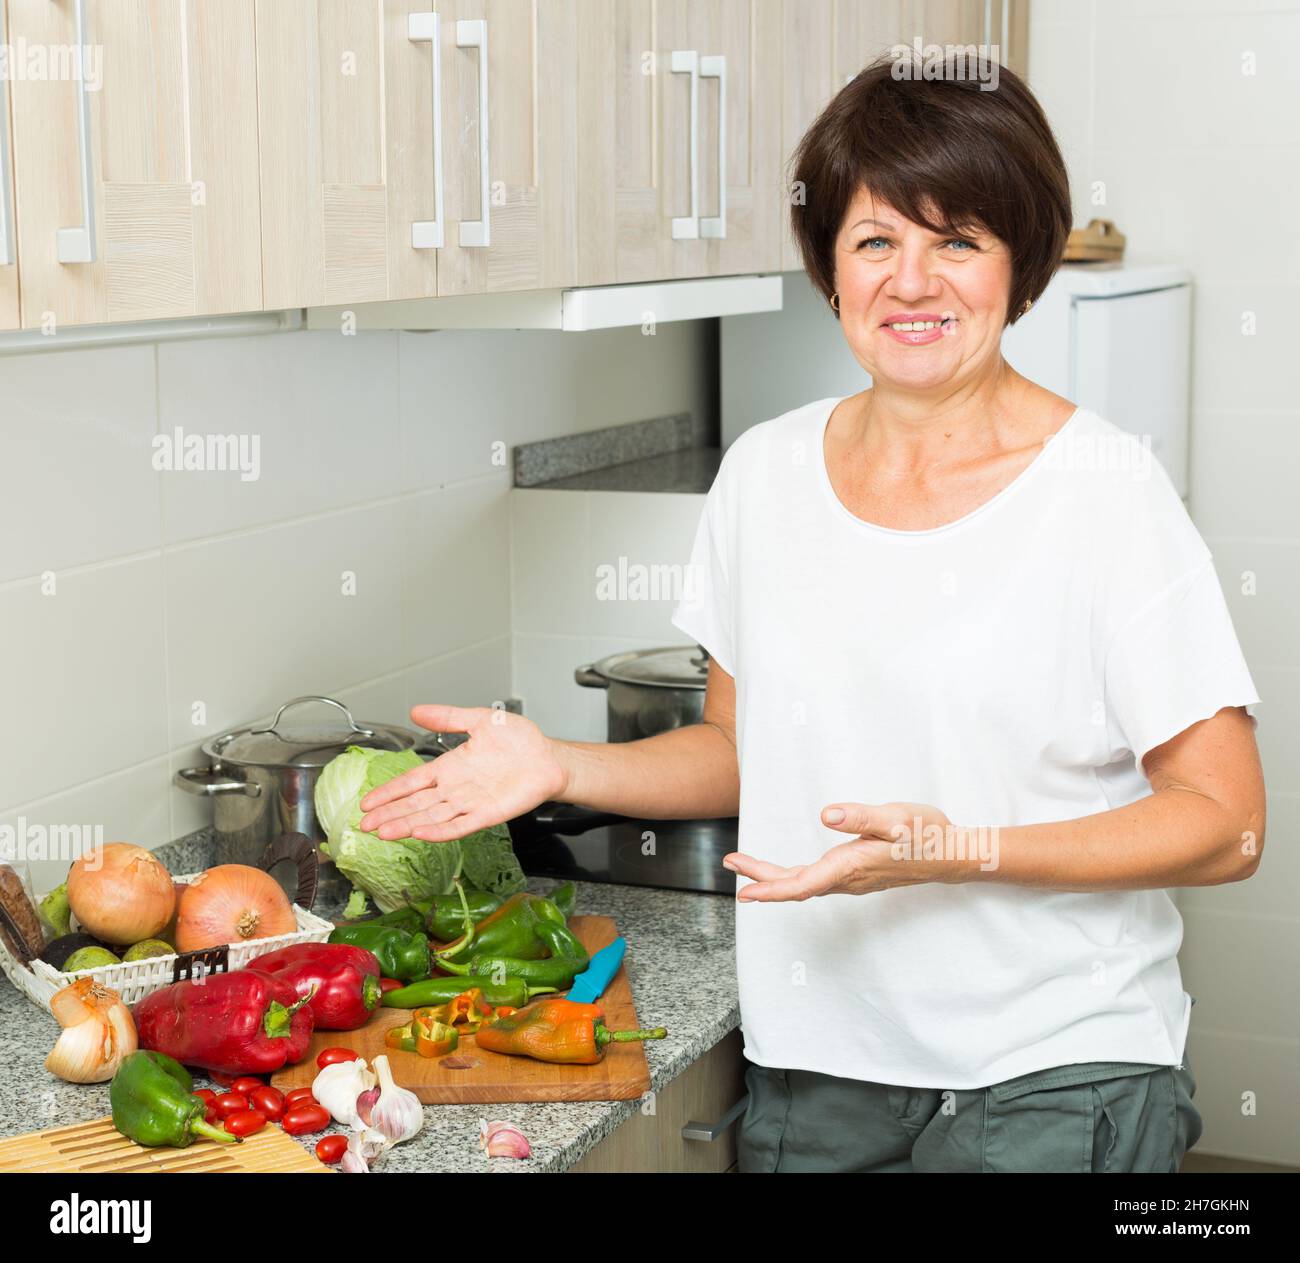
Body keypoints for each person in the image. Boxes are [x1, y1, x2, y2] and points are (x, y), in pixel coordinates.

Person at [357, 54, 1264, 1173]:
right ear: (830, 266)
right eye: (876, 240)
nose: (913, 282)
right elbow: (739, 752)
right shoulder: (765, 475)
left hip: (1054, 1075)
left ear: (1019, 267)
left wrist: (959, 850)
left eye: (959, 240)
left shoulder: (1108, 494)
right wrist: (561, 767)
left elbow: (1226, 823)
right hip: (817, 1063)